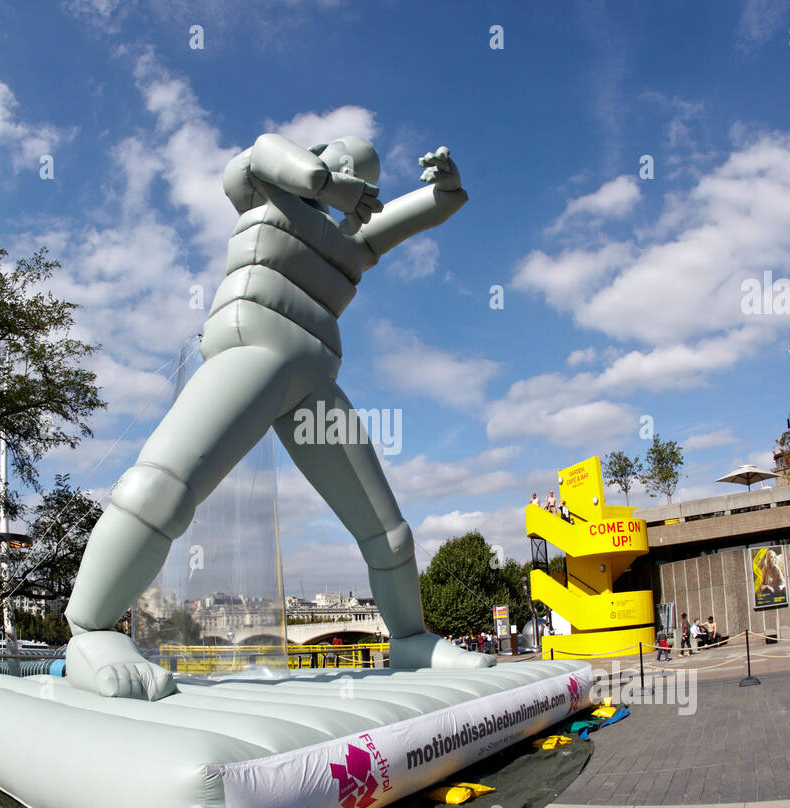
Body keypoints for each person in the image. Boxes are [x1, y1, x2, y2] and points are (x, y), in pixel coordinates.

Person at [62, 134, 480, 700]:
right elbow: (264, 154)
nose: (359, 177)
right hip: (252, 354)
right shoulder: (263, 191)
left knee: (389, 533)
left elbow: (429, 210)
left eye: (368, 174)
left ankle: (409, 637)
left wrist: (446, 188)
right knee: (158, 489)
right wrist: (330, 182)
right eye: (350, 164)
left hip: (314, 386)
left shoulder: (352, 244)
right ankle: (91, 629)